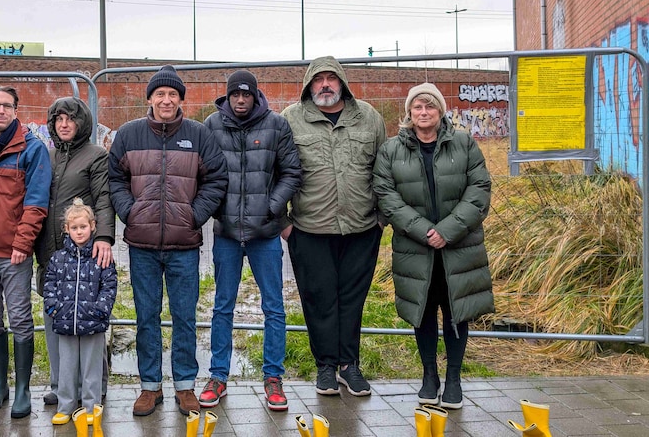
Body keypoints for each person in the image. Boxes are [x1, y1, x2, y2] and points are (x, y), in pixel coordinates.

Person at [108, 65, 228, 416]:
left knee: (184, 316)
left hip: (184, 244)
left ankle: (185, 385)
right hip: (142, 244)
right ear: (150, 98)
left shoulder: (199, 134)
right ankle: (150, 387)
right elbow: (115, 178)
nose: (166, 100)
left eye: (172, 94)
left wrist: (194, 214)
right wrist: (130, 212)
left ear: (180, 100)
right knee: (146, 316)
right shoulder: (128, 135)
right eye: (160, 94)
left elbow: (216, 178)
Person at [373, 83, 494, 409]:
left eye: (430, 107)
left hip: (459, 247)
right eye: (418, 107)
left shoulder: (464, 143)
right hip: (417, 249)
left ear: (440, 111)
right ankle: (430, 375)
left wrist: (448, 230)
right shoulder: (391, 150)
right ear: (409, 113)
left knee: (457, 312)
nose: (423, 113)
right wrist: (426, 231)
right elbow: (386, 196)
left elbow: (480, 189)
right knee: (423, 313)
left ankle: (453, 379)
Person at [281, 56, 387, 397]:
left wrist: (382, 218)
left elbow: (385, 170)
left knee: (352, 299)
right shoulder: (290, 120)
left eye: (331, 78)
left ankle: (349, 366)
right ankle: (326, 366)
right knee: (319, 298)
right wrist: (283, 222)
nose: (325, 85)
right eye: (318, 79)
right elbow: (274, 172)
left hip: (362, 228)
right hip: (310, 229)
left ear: (342, 83)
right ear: (309, 85)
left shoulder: (369, 117)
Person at [200, 70, 302, 412]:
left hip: (265, 234)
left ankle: (273, 378)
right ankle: (217, 377)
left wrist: (271, 208)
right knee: (222, 306)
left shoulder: (276, 125)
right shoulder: (211, 126)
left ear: (255, 96)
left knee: (274, 307)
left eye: (246, 95)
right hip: (227, 234)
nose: (240, 100)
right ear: (227, 97)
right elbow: (203, 173)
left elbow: (291, 172)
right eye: (234, 95)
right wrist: (216, 209)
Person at [0, 85, 51, 419]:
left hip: (13, 254)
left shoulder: (32, 150)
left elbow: (36, 202)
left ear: (16, 110)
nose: (0, 111)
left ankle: (22, 389)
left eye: (7, 106)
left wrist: (22, 243)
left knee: (19, 319)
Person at [35, 96, 115, 408]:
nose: (64, 124)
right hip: (52, 253)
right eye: (59, 120)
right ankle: (60, 385)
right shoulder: (47, 156)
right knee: (56, 319)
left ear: (81, 123)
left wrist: (104, 237)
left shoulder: (95, 156)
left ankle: (97, 384)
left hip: (87, 255)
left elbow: (104, 198)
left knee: (91, 319)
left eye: (70, 119)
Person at [42, 198, 117, 428]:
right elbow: (49, 285)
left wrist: (100, 310)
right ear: (66, 229)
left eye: (83, 226)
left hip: (93, 322)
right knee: (66, 366)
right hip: (65, 322)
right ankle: (65, 406)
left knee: (91, 367)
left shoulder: (100, 257)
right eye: (74, 228)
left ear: (93, 226)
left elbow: (109, 285)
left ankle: (91, 407)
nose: (79, 231)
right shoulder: (58, 258)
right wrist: (54, 308)